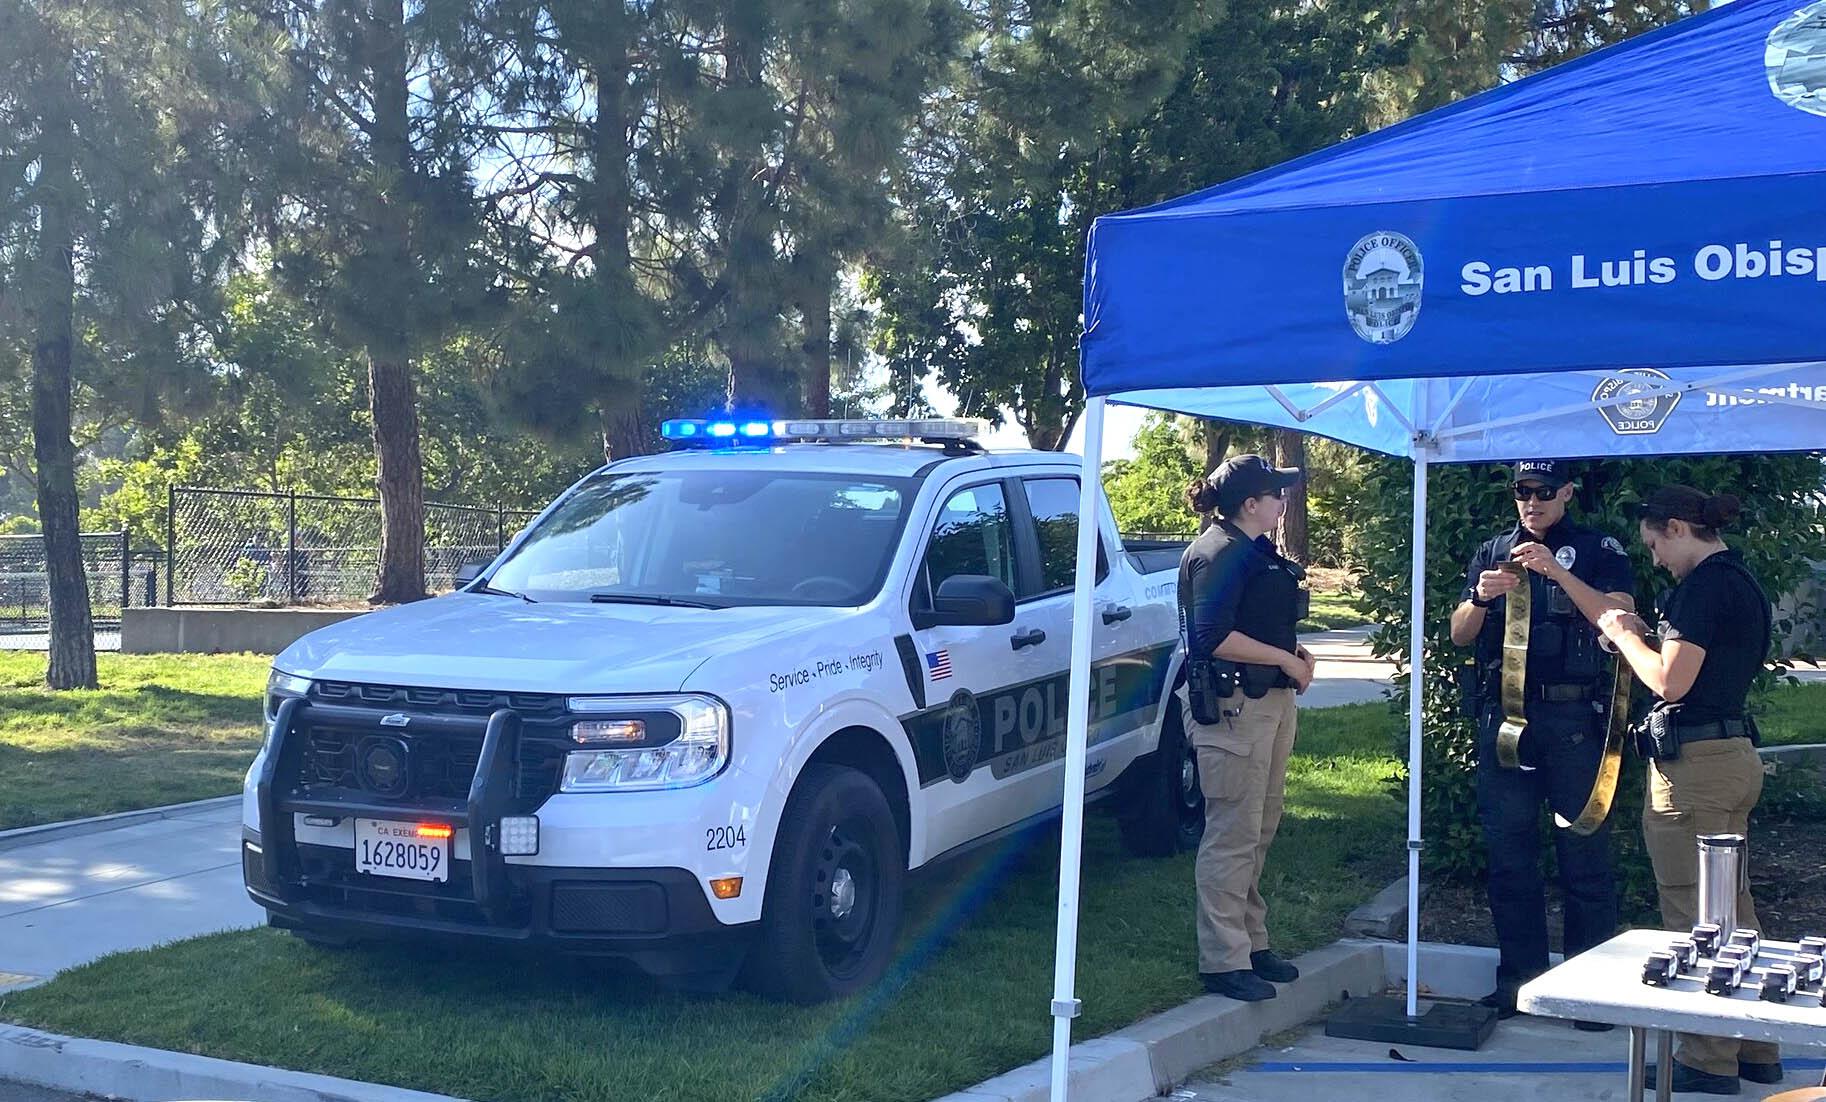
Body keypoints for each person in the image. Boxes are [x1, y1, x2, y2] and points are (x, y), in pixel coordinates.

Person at [1546, 484, 1780, 1096]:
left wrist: (1624, 636)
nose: (1653, 558)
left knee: (1695, 911)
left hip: (1695, 768)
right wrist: (1645, 632)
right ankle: (1756, 1042)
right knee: (1734, 906)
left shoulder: (1702, 587)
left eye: (1654, 543)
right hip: (1729, 755)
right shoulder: (1739, 580)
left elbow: (1670, 682)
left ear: (1677, 528)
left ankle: (1707, 1056)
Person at [1448, 459, 1635, 1024]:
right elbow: (1458, 634)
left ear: (1568, 494)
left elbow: (1621, 615)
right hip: (1507, 720)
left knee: (1584, 855)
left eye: (1543, 492)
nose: (1531, 503)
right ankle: (1519, 984)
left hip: (1573, 717)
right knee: (1509, 858)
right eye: (1522, 493)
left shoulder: (1598, 546)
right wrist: (1479, 599)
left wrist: (1556, 572)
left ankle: (1590, 992)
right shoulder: (1493, 549)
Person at [1177, 454, 1317, 1002]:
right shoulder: (1216, 553)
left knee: (1259, 826)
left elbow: (1256, 620)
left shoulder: (1251, 551)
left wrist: (1291, 653)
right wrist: (1285, 662)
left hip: (1266, 702)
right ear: (1251, 504)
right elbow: (1211, 636)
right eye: (1276, 495)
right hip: (1236, 707)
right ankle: (1223, 959)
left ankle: (1251, 945)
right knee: (1233, 830)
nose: (1284, 502)